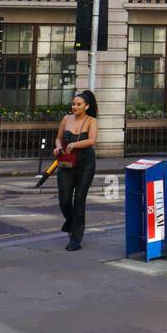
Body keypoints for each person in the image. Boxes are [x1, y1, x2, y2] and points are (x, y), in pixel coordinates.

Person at [54, 90, 98, 252]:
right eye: (73, 104)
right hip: (66, 163)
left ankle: (76, 237)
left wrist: (74, 145)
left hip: (85, 163)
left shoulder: (91, 121)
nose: (75, 107)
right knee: (64, 200)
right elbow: (58, 138)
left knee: (79, 199)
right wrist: (58, 146)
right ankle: (72, 223)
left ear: (86, 106)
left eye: (79, 104)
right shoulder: (66, 119)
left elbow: (92, 140)